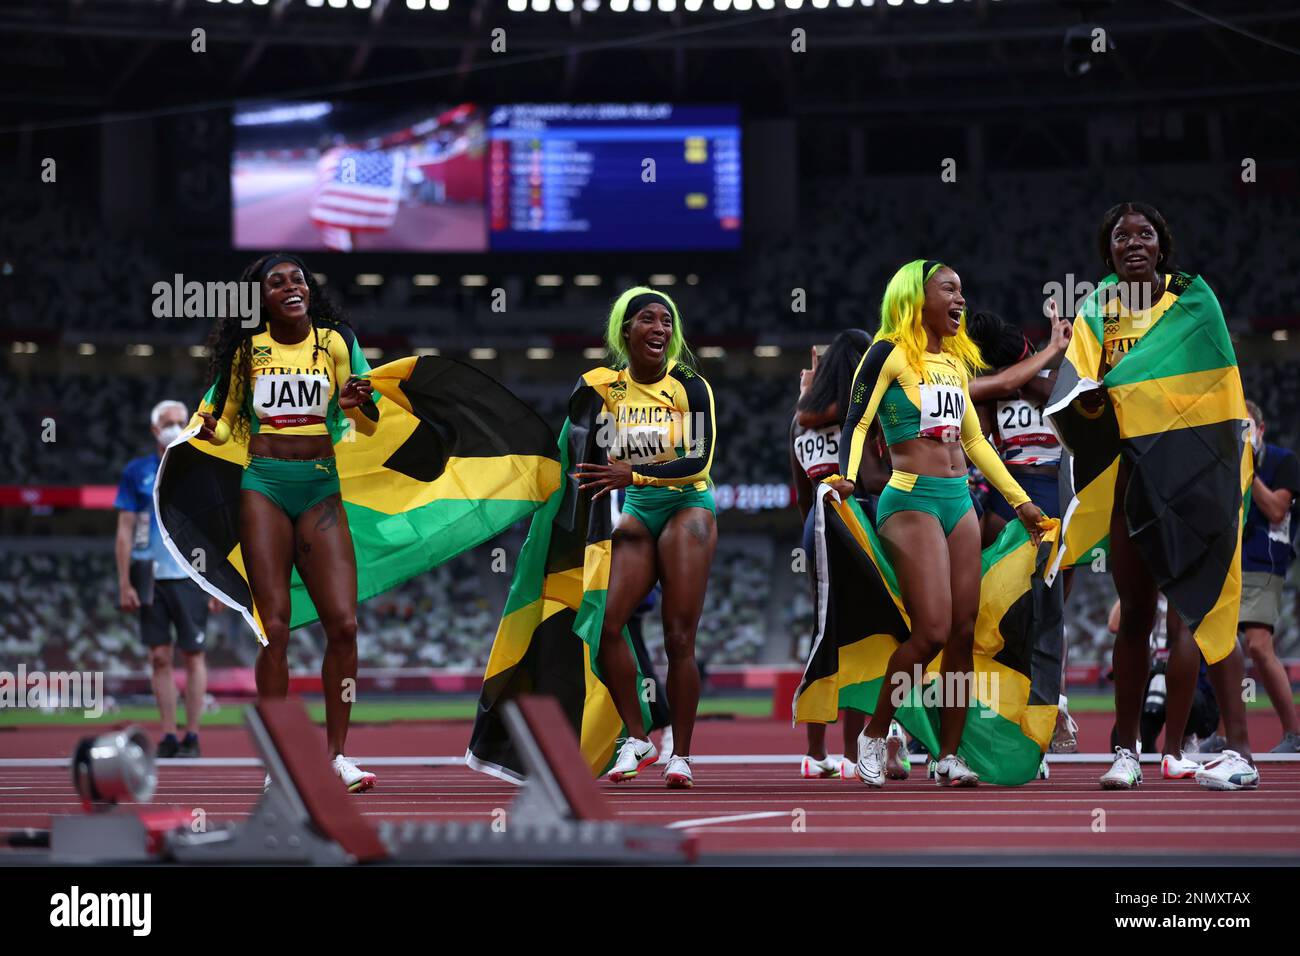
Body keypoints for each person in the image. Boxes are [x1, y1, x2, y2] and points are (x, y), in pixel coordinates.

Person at [1048, 202, 1259, 791]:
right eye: (1120, 236)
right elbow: (1077, 385)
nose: (1133, 242)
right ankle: (1127, 750)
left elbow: (1221, 385)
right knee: (1135, 614)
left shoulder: (1195, 302)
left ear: (1162, 246)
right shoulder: (1097, 309)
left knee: (1202, 607)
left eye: (1144, 234)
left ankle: (1229, 750)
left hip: (1192, 478)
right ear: (1108, 251)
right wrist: (1090, 400)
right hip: (1131, 482)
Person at [830, 259, 1045, 788]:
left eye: (963, 290)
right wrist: (848, 478)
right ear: (915, 296)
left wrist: (1019, 503)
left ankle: (947, 756)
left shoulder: (953, 363)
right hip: (909, 501)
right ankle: (875, 734)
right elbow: (857, 422)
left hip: (959, 503)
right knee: (928, 631)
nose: (960, 299)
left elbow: (974, 444)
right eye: (948, 288)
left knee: (962, 633)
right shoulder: (887, 353)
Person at [196, 253, 380, 792]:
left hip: (321, 485)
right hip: (265, 485)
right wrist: (208, 431)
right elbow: (225, 424)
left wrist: (355, 405)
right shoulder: (245, 352)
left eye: (297, 278)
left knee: (343, 624)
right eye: (276, 282)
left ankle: (336, 757)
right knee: (273, 626)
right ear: (261, 299)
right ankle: (278, 756)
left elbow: (366, 425)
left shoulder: (338, 342)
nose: (291, 286)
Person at [573, 287, 717, 789]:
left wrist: (634, 478)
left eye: (667, 322)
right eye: (648, 320)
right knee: (606, 626)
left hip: (687, 507)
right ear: (626, 331)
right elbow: (590, 450)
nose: (660, 328)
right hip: (637, 511)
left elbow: (698, 459)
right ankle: (638, 739)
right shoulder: (608, 390)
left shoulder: (689, 386)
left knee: (678, 636)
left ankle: (682, 752)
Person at [791, 332, 908, 780]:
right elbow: (878, 476)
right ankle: (862, 751)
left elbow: (801, 494)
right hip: (865, 520)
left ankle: (816, 752)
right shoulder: (869, 411)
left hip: (819, 526)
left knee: (828, 634)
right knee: (875, 637)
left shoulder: (799, 420)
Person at [966, 308, 1081, 753]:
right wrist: (1044, 354)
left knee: (1031, 617)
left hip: (1030, 494)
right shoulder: (1016, 386)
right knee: (1040, 618)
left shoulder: (1045, 383)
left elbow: (1000, 401)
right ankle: (1041, 712)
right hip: (1030, 497)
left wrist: (1026, 368)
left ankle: (1047, 711)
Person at [115, 400, 218, 758]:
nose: (175, 425)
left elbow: (212, 526)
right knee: (159, 656)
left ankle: (193, 735)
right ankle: (170, 735)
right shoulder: (136, 472)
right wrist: (125, 582)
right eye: (168, 421)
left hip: (191, 572)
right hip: (148, 574)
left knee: (193, 653)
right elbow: (125, 531)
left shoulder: (196, 464)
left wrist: (216, 580)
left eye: (180, 420)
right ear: (154, 429)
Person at [1237, 400, 1300, 752]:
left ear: (1260, 430)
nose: (1242, 437)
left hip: (1265, 560)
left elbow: (1277, 510)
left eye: (1247, 429)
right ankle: (1228, 733)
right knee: (1221, 650)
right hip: (1228, 561)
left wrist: (1248, 471)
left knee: (1259, 646)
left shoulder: (1282, 460)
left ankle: (1294, 733)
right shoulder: (1224, 463)